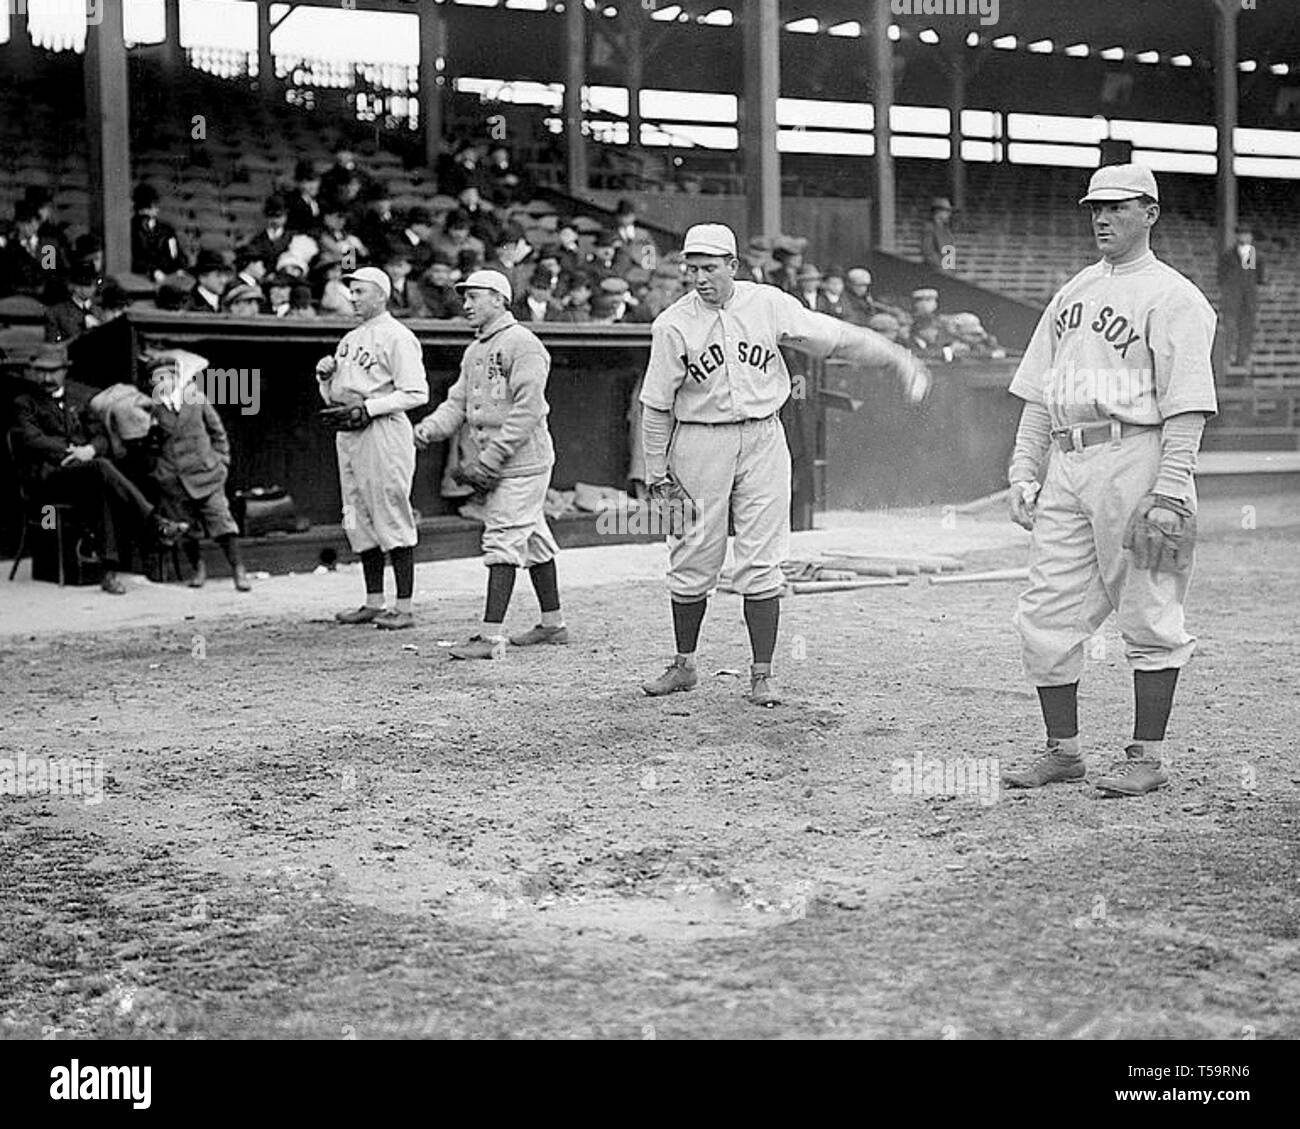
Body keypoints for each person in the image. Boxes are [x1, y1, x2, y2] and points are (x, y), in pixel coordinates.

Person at [637, 223, 930, 706]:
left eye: (710, 268)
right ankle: (685, 664)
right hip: (697, 440)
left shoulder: (768, 303)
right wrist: (656, 474)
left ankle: (763, 674)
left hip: (762, 436)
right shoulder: (671, 323)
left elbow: (837, 337)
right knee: (691, 555)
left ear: (733, 265)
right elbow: (656, 405)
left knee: (762, 558)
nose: (700, 278)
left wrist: (896, 357)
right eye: (693, 269)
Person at [1000, 164, 1218, 798]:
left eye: (1118, 207)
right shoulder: (1072, 290)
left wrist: (1172, 488)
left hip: (1137, 455)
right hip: (1068, 459)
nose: (1102, 217)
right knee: (1044, 609)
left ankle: (1147, 755)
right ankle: (1063, 752)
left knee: (1149, 608)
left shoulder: (1174, 296)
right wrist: (1023, 466)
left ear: (1150, 212)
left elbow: (1187, 404)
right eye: (1095, 207)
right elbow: (1039, 394)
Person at [413, 270, 568, 659]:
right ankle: (553, 625)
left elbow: (528, 410)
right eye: (464, 297)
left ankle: (490, 638)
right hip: (499, 459)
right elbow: (457, 403)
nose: (466, 304)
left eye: (474, 297)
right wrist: (428, 429)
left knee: (501, 539)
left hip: (523, 461)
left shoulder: (523, 343)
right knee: (533, 540)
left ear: (498, 298)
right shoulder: (476, 349)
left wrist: (491, 458)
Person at [10, 343, 187, 594]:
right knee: (101, 470)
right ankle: (153, 522)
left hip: (82, 476)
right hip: (47, 482)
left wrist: (90, 450)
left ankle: (109, 572)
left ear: (64, 370)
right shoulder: (24, 403)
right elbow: (31, 439)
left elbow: (101, 436)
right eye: (40, 371)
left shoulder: (80, 399)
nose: (46, 378)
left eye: (52, 371)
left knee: (102, 488)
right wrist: (73, 452)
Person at [315, 267, 429, 629]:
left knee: (391, 513)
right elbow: (337, 398)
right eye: (352, 291)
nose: (353, 297)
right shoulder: (348, 339)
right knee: (358, 515)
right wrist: (325, 378)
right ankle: (373, 602)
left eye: (360, 291)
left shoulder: (398, 336)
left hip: (383, 430)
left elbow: (416, 392)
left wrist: (370, 407)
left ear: (381, 294)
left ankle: (405, 607)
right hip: (349, 432)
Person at [144, 352, 251, 591]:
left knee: (223, 524)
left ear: (176, 378)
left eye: (165, 377)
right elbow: (151, 447)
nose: (160, 383)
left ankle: (239, 571)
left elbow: (218, 432)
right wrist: (160, 473)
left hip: (207, 475)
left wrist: (221, 462)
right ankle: (198, 569)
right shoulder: (153, 410)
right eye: (155, 378)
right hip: (174, 480)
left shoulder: (196, 399)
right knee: (187, 530)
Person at [1217, 226, 1266, 370]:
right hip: (1232, 299)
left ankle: (1242, 359)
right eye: (1242, 234)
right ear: (1237, 236)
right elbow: (1221, 277)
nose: (1245, 237)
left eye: (1247, 234)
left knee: (1247, 330)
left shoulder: (1256, 256)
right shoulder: (1227, 255)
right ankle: (1226, 358)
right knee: (1229, 329)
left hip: (1248, 300)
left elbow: (1258, 278)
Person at [44, 262, 105, 344]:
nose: (90, 288)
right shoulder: (56, 312)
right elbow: (53, 346)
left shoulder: (102, 312)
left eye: (92, 284)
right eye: (84, 284)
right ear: (72, 286)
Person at [246, 196, 293, 268]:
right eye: (271, 216)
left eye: (278, 216)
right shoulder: (257, 240)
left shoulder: (293, 238)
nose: (275, 220)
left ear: (285, 216)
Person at [286, 159, 323, 235]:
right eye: (308, 182)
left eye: (315, 181)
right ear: (298, 183)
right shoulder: (292, 202)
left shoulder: (319, 200)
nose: (313, 186)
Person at [922, 196, 956, 272]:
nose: (949, 214)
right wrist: (942, 269)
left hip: (947, 273)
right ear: (938, 212)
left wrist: (950, 271)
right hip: (937, 273)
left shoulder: (947, 232)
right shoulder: (929, 229)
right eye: (947, 211)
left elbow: (950, 256)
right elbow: (929, 253)